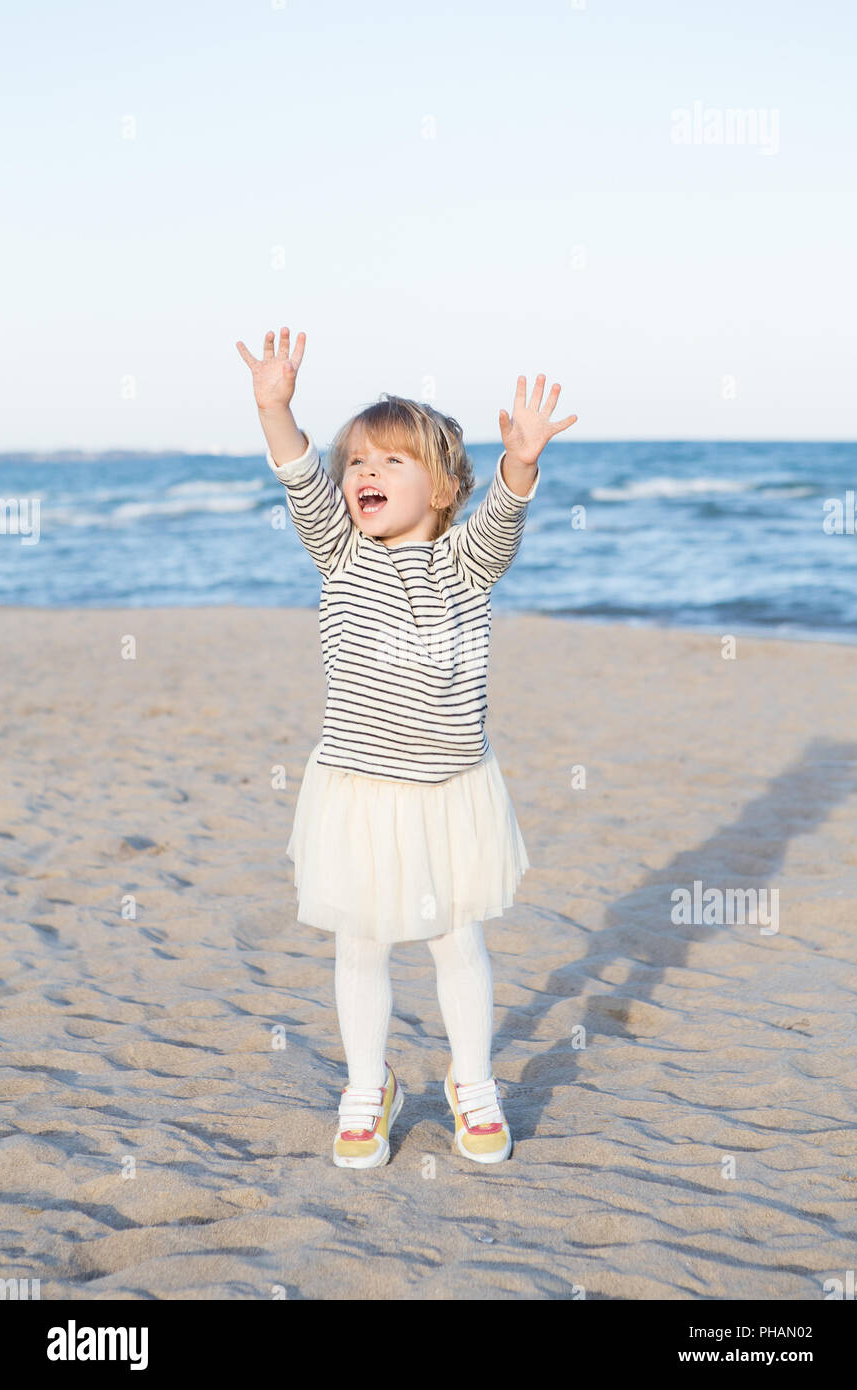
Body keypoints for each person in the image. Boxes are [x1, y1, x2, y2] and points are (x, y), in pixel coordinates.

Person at [235, 326, 577, 1169]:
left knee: (456, 938)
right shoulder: (340, 555)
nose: (364, 476)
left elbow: (502, 515)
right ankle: (366, 1088)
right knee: (362, 942)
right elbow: (298, 479)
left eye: (391, 463)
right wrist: (277, 409)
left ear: (444, 487)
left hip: (451, 787)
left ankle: (472, 1083)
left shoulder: (466, 563)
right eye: (357, 463)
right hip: (358, 788)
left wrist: (522, 462)